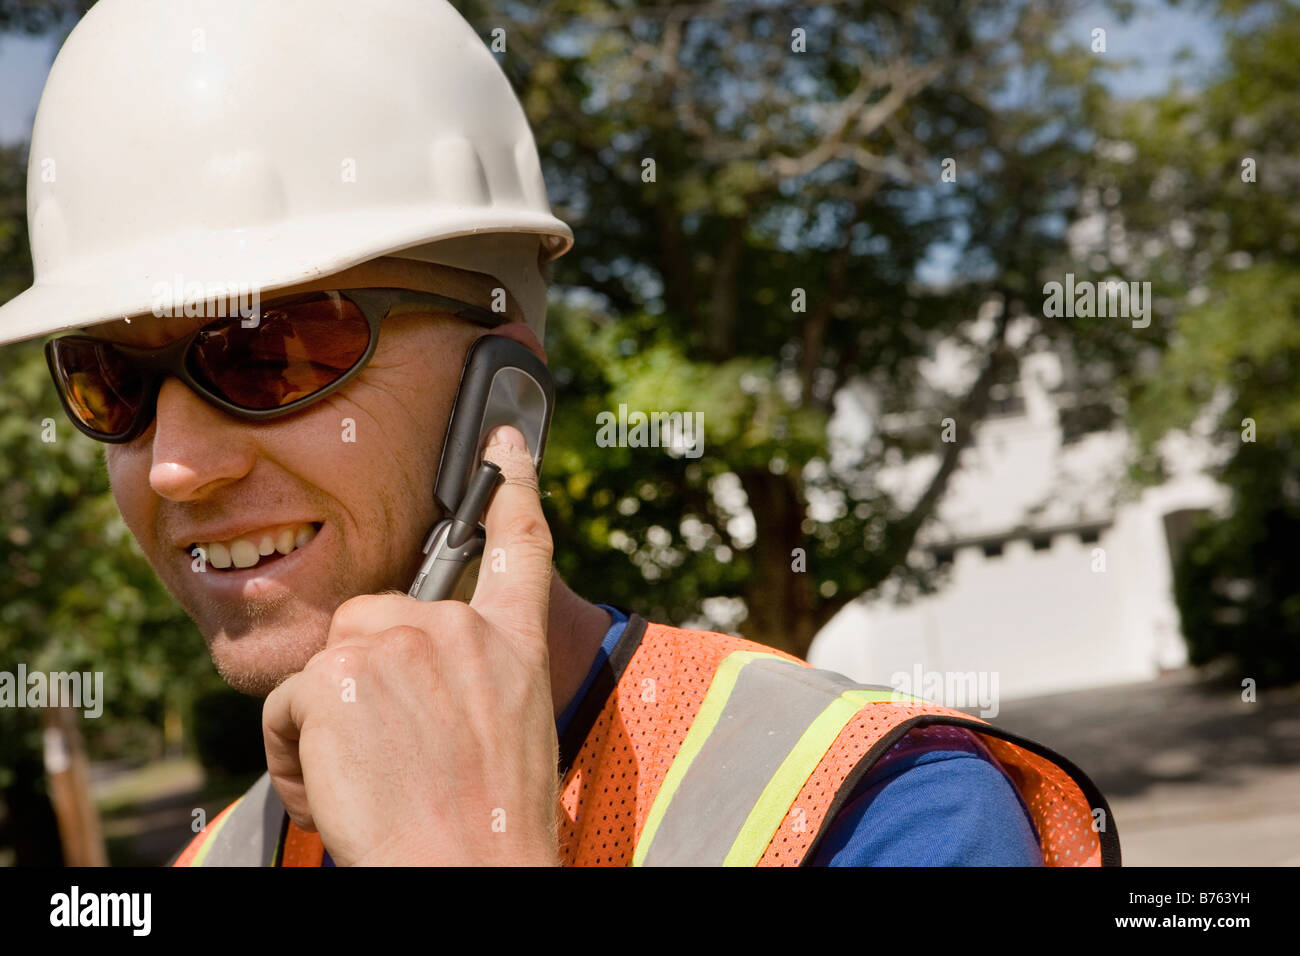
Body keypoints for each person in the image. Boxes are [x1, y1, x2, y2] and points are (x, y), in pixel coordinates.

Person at [0, 0, 1118, 867]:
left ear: (503, 388)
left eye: (268, 350)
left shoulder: (872, 807)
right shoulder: (213, 857)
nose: (181, 462)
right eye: (109, 380)